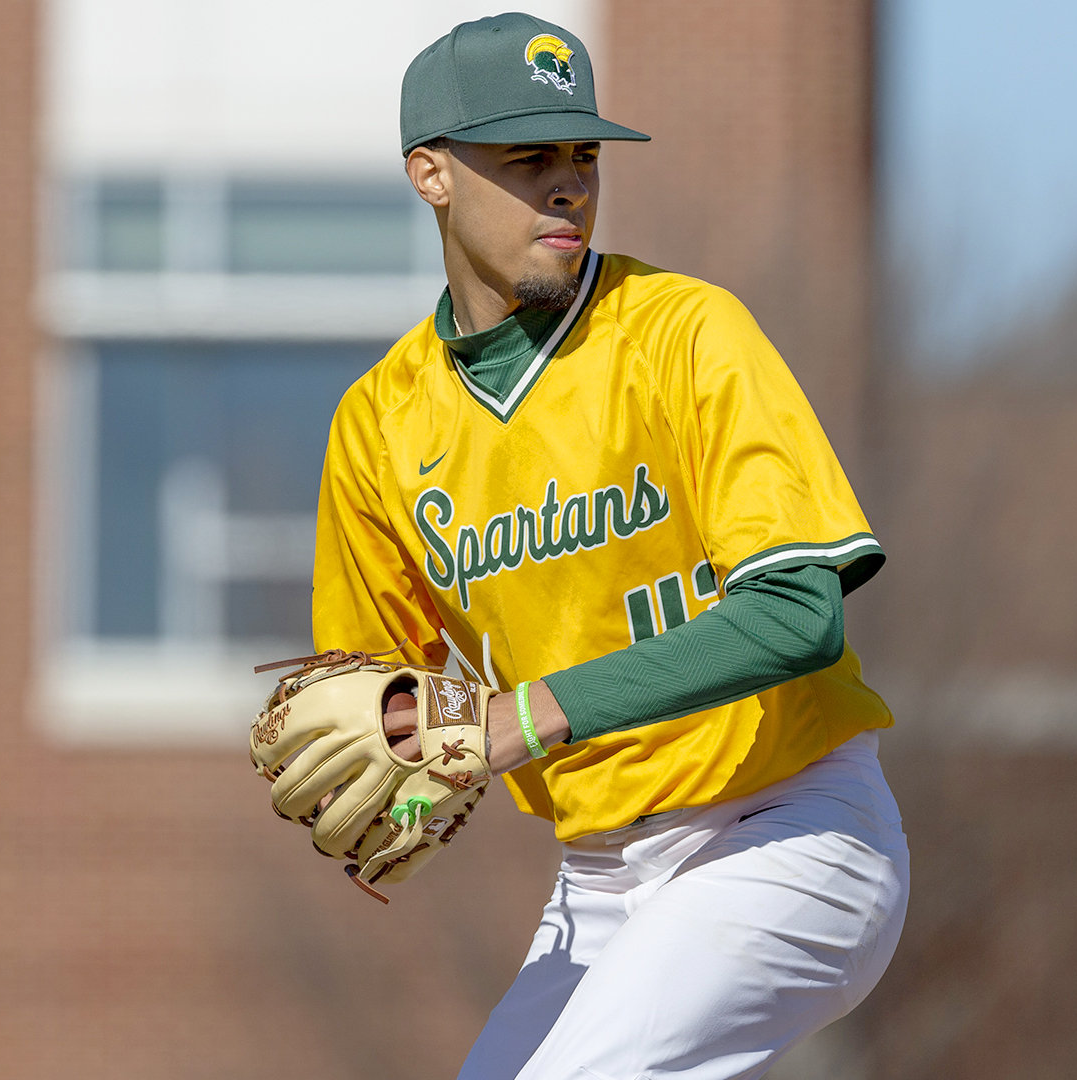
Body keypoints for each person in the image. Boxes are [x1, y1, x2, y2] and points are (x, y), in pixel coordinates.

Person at [310, 13, 909, 1079]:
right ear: (430, 175)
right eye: (527, 156)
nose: (568, 184)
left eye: (582, 155)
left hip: (785, 833)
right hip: (596, 885)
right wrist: (384, 773)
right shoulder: (381, 424)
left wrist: (519, 721)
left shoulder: (685, 333)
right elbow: (372, 696)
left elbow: (799, 614)